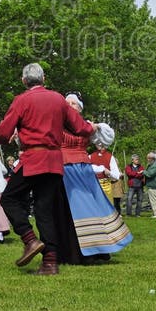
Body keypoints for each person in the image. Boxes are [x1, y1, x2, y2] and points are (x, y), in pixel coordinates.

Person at [0, 63, 98, 275]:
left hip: (33, 158)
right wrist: (92, 127)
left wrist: (4, 136)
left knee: (9, 199)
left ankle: (29, 239)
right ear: (44, 79)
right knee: (44, 210)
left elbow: (2, 134)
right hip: (55, 161)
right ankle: (50, 262)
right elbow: (80, 128)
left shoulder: (22, 100)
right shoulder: (58, 99)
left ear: (24, 81)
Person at [54, 91, 130, 265]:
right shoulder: (57, 123)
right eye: (67, 103)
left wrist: (95, 126)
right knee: (69, 210)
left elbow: (107, 137)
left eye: (73, 103)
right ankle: (74, 252)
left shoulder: (86, 124)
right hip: (64, 168)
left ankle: (97, 249)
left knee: (91, 207)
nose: (69, 106)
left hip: (83, 169)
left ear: (80, 108)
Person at [89, 142, 121, 206]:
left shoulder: (110, 157)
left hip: (106, 187)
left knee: (107, 206)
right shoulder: (90, 157)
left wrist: (109, 173)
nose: (99, 144)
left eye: (101, 142)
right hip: (94, 187)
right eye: (98, 142)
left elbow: (117, 175)